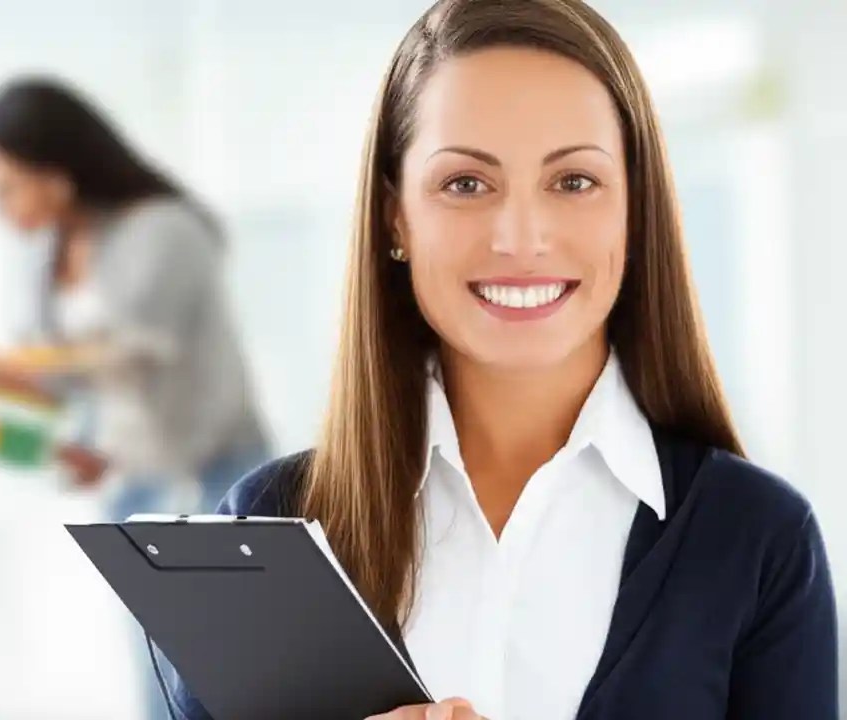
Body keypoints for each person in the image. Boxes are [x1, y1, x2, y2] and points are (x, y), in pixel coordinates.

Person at [169, 1, 838, 719]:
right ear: (396, 216)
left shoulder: (758, 539)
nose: (522, 238)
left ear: (634, 209)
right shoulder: (271, 529)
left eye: (574, 181)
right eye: (465, 184)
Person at [0, 78, 272, 719]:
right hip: (136, 479)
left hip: (213, 473)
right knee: (156, 675)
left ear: (56, 170)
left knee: (216, 673)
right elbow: (63, 384)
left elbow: (129, 354)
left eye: (6, 186)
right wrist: (69, 443)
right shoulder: (45, 257)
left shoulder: (164, 229)